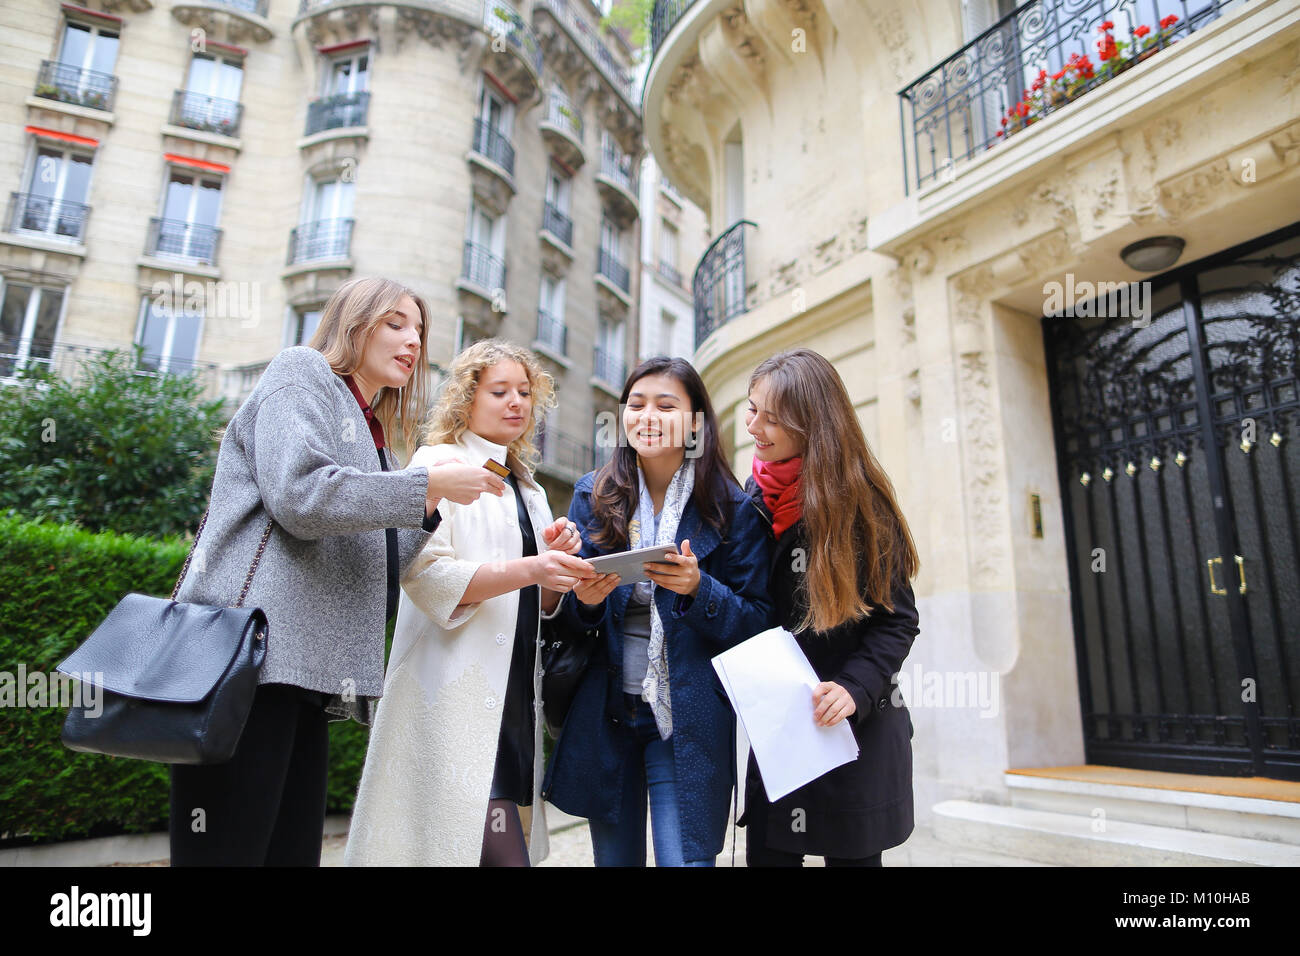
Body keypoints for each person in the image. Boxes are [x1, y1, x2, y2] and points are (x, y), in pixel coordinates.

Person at [169, 276, 506, 866]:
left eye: (420, 332)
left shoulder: (373, 434)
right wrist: (422, 485)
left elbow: (380, 567)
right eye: (395, 323)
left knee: (289, 853)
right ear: (353, 323)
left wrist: (426, 506)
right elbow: (300, 496)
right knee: (227, 849)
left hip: (305, 675)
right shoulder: (301, 373)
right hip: (249, 659)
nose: (412, 342)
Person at [344, 339, 593, 866]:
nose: (516, 403)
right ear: (466, 400)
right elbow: (424, 575)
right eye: (499, 390)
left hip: (514, 700)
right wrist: (532, 567)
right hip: (452, 696)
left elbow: (537, 605)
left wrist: (557, 573)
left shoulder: (527, 488)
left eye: (525, 392)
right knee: (490, 855)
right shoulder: (437, 463)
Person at [543, 357, 774, 866]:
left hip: (687, 720)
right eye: (636, 404)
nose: (647, 416)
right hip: (609, 712)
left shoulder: (732, 508)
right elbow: (568, 618)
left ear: (695, 423)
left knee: (686, 859)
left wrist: (700, 589)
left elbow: (759, 624)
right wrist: (584, 601)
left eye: (666, 405)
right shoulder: (593, 494)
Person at [739, 347, 921, 867]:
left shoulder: (863, 506)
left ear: (812, 422)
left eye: (772, 417)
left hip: (851, 729)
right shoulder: (751, 499)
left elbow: (898, 619)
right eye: (753, 409)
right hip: (780, 732)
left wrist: (854, 688)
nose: (755, 426)